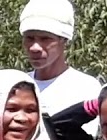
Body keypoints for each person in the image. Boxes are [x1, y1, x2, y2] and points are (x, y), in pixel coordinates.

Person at [20, 0, 100, 130]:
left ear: (64, 40)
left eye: (45, 39)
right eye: (29, 38)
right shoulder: (17, 85)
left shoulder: (85, 87)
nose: (35, 47)